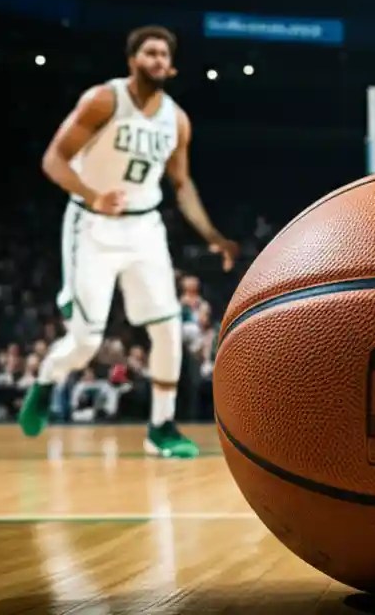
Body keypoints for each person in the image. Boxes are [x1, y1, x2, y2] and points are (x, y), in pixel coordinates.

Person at [18, 25, 239, 458]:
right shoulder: (104, 99)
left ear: (171, 67)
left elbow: (182, 183)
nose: (157, 60)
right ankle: (46, 380)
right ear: (132, 60)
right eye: (149, 53)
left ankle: (161, 426)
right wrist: (93, 194)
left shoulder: (176, 119)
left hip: (144, 229)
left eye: (163, 55)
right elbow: (54, 159)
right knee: (85, 342)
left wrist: (213, 235)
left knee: (168, 329)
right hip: (93, 225)